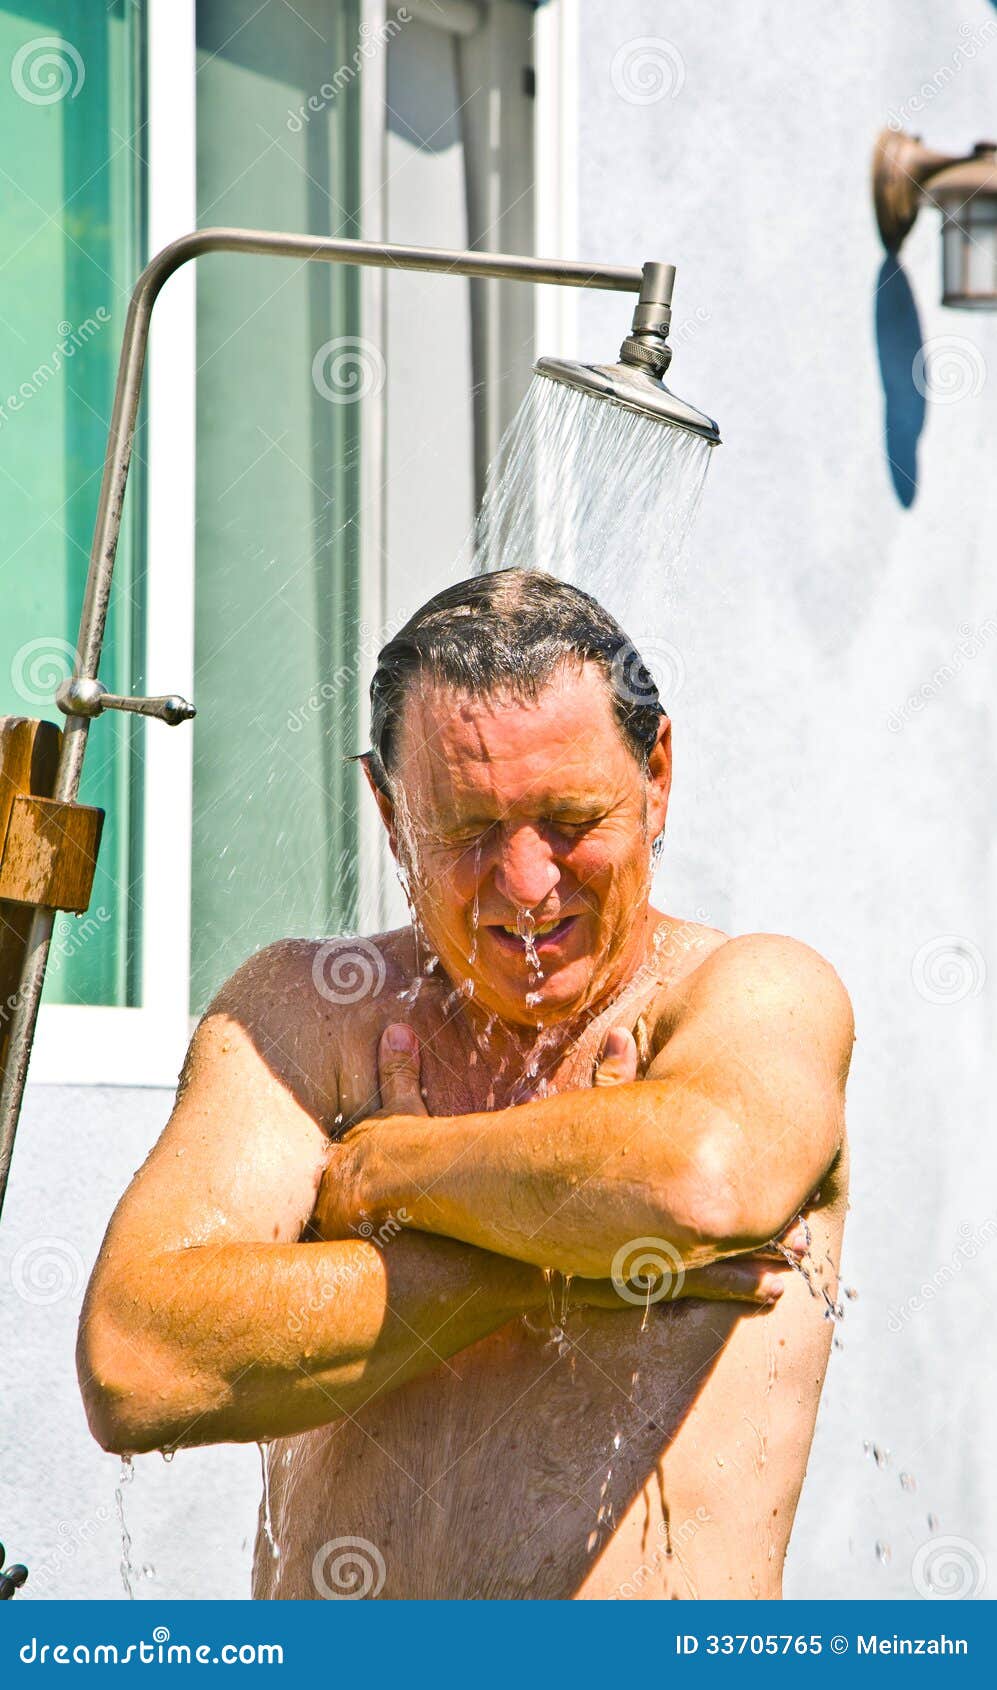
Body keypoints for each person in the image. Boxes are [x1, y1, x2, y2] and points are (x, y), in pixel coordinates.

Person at [77, 569, 853, 1600]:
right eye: (469, 830)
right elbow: (138, 1360)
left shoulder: (750, 993)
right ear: (389, 812)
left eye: (570, 818)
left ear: (656, 774)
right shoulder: (306, 1013)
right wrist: (557, 1263)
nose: (528, 883)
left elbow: (701, 1182)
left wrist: (394, 1172)